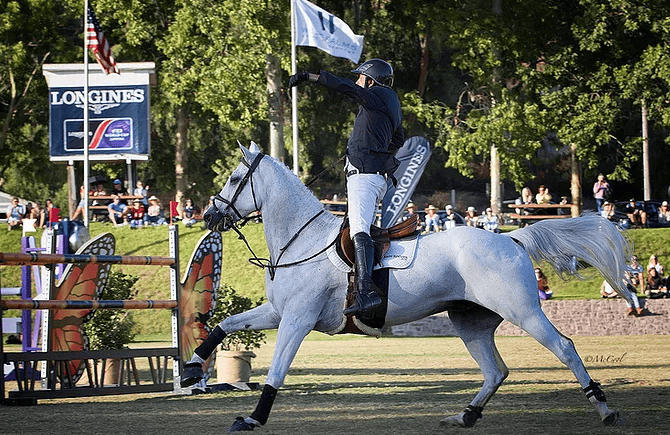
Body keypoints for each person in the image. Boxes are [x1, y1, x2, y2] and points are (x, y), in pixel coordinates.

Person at [288, 58, 404, 316]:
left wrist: (310, 76)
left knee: (359, 230)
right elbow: (399, 138)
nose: (357, 82)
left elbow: (346, 88)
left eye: (360, 77)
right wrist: (371, 147)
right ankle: (350, 288)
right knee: (350, 229)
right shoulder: (390, 101)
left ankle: (366, 294)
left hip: (365, 175)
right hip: (369, 173)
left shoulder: (377, 95)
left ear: (370, 80)